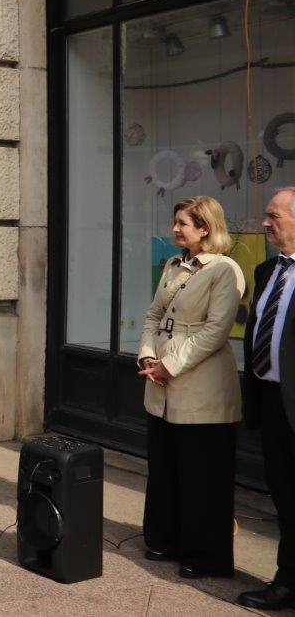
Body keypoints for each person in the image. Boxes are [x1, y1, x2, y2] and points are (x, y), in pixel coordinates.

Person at [136, 195, 243, 580]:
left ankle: (206, 556)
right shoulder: (172, 264)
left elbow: (216, 331)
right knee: (165, 468)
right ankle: (165, 540)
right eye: (176, 222)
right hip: (161, 385)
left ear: (205, 228)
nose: (175, 229)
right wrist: (147, 355)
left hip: (202, 388)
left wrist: (170, 365)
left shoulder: (224, 269)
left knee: (202, 476)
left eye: (182, 223)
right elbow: (153, 315)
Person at [239, 187, 295, 609]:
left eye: (274, 216)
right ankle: (287, 581)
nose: (265, 223)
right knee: (285, 499)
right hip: (273, 402)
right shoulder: (266, 270)